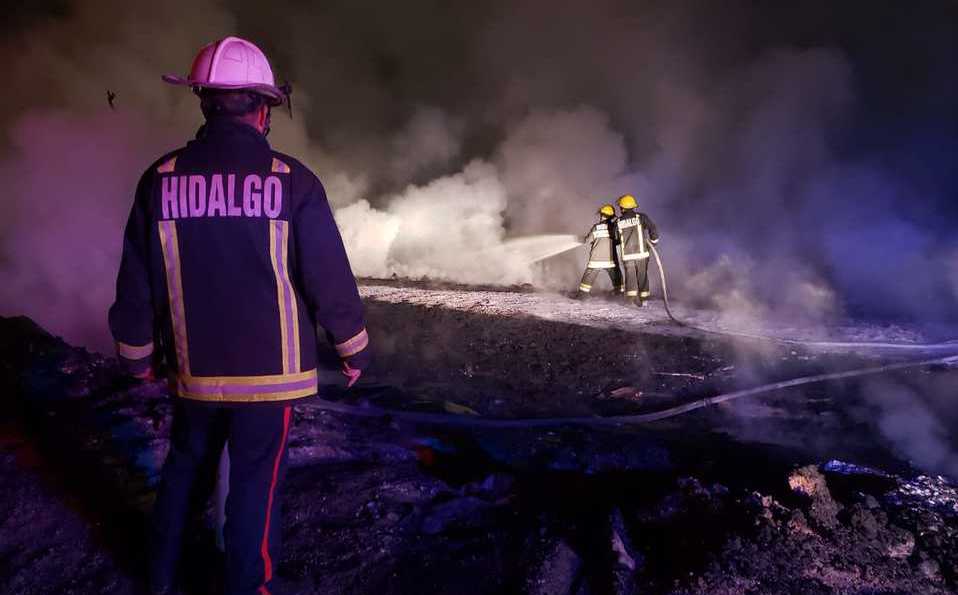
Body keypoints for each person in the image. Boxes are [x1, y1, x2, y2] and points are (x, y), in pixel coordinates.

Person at [108, 36, 370, 595]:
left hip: (195, 371)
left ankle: (159, 580)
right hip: (270, 378)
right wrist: (354, 348)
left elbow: (136, 283)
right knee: (255, 485)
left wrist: (136, 358)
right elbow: (328, 276)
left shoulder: (160, 179)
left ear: (203, 100)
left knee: (184, 473)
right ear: (264, 107)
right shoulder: (291, 180)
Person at [615, 194, 660, 306]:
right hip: (641, 254)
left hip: (627, 256)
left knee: (630, 277)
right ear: (634, 207)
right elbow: (652, 228)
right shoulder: (641, 217)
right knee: (642, 276)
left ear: (622, 208)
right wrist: (653, 243)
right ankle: (644, 300)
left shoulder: (618, 221)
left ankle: (630, 300)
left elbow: (616, 238)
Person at [577, 204, 623, 297]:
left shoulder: (596, 227)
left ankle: (582, 295)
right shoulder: (614, 228)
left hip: (596, 260)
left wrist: (585, 239)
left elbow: (587, 241)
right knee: (617, 275)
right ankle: (619, 293)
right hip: (610, 260)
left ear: (602, 215)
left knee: (588, 276)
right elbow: (618, 241)